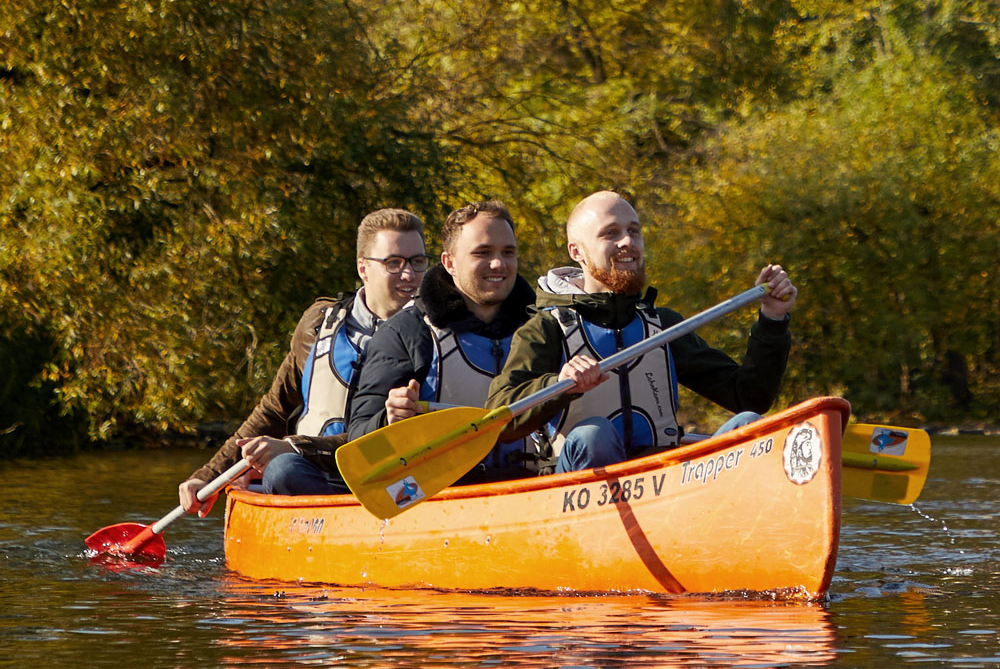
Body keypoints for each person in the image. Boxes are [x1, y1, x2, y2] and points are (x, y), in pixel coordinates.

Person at [485, 190, 797, 473]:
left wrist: (772, 318)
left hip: (660, 479)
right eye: (611, 233)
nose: (628, 242)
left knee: (749, 425)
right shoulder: (546, 327)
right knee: (595, 435)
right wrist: (559, 384)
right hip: (576, 490)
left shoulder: (662, 325)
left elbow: (749, 396)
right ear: (577, 252)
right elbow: (498, 418)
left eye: (634, 231)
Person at [178, 207, 426, 513]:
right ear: (363, 268)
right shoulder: (318, 324)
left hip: (396, 481)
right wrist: (208, 476)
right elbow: (275, 408)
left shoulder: (434, 333)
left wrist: (294, 447)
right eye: (394, 263)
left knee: (284, 465)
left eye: (417, 262)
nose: (409, 275)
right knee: (283, 470)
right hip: (319, 480)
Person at [347, 201, 537, 478]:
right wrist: (387, 421)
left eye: (508, 252)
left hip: (537, 487)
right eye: (482, 253)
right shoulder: (405, 332)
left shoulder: (542, 325)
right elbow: (358, 443)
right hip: (442, 493)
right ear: (449, 263)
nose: (498, 263)